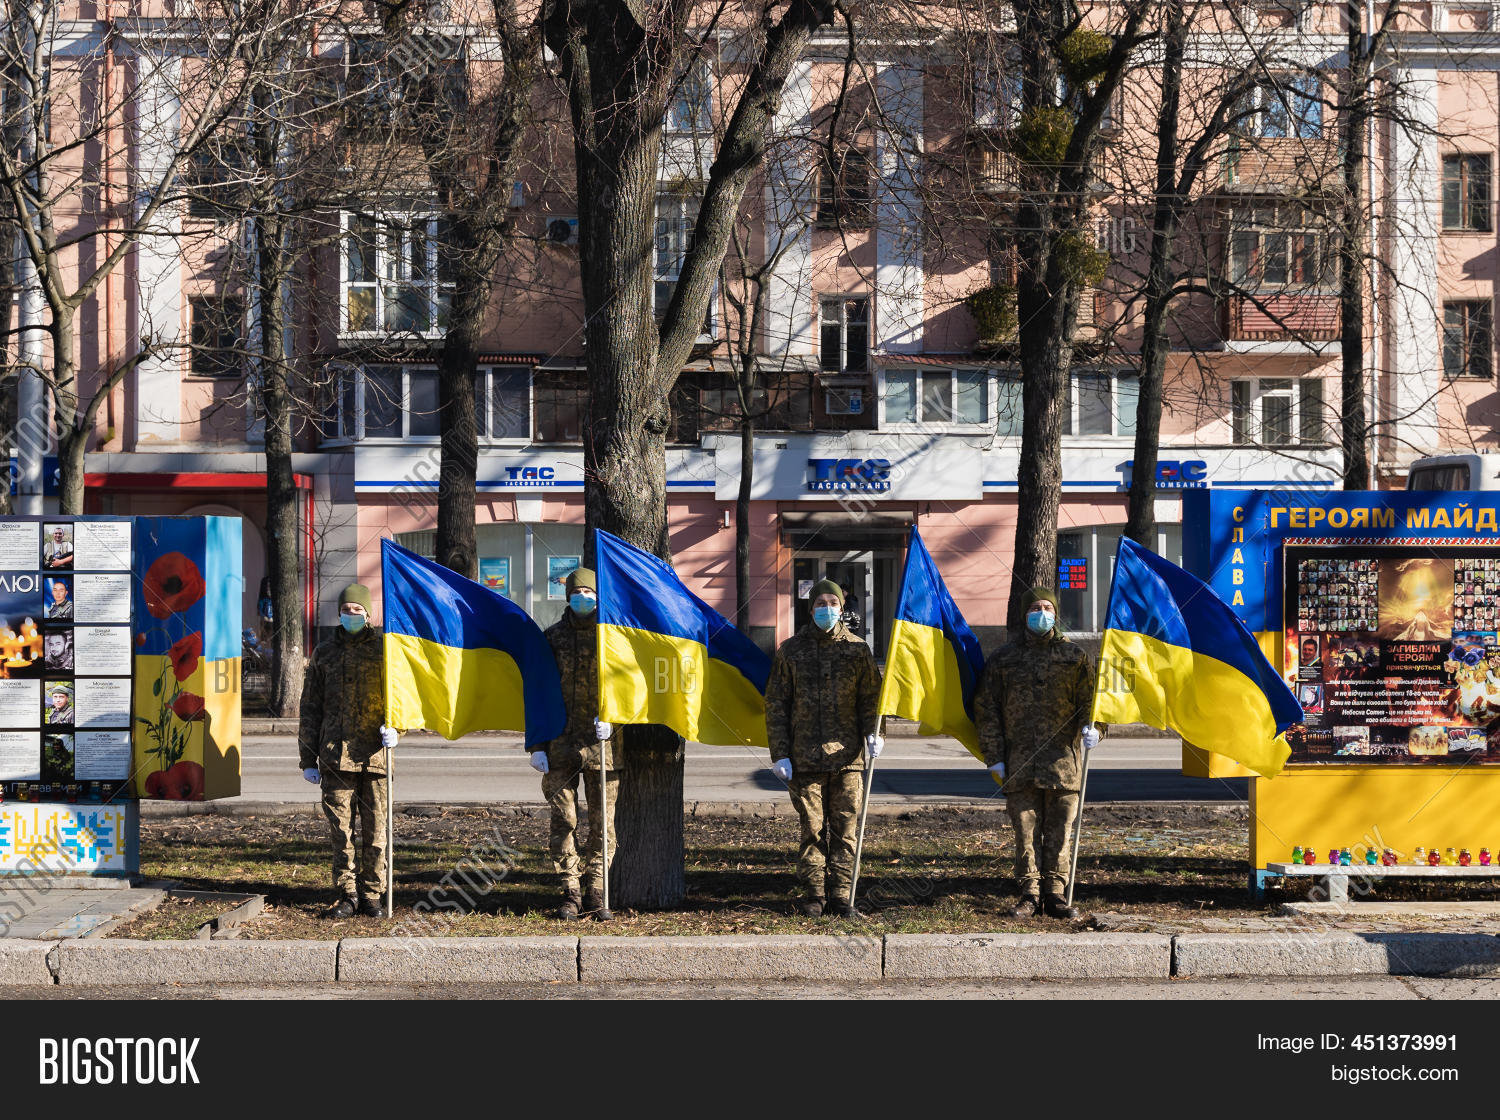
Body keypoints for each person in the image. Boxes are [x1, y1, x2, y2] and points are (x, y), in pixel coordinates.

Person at [975, 588, 1101, 920]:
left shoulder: (1074, 656)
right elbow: (987, 710)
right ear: (1024, 613)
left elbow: (1094, 703)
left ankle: (1055, 894)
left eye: (1047, 607)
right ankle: (1029, 894)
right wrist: (994, 755)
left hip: (1063, 763)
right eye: (1035, 607)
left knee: (1060, 831)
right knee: (1025, 831)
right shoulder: (1004, 658)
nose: (1041, 613)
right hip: (1019, 762)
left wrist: (1096, 728)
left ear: (1056, 613)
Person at [765, 578, 882, 918]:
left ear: (841, 609)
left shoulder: (857, 650)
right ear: (810, 608)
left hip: (848, 758)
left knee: (846, 829)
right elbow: (776, 704)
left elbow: (870, 699)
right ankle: (814, 894)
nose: (826, 609)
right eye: (820, 603)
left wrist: (875, 733)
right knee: (812, 829)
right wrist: (780, 753)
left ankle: (842, 895)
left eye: (832, 604)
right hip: (805, 759)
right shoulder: (791, 651)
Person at [297, 584, 400, 919]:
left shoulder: (386, 650)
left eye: (357, 609)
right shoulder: (324, 653)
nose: (351, 614)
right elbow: (310, 707)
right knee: (341, 833)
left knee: (376, 832)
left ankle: (372, 894)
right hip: (334, 756)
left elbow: (403, 699)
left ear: (368, 614)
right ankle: (348, 894)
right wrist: (307, 758)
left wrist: (398, 729)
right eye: (346, 610)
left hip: (375, 756)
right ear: (339, 613)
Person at [529, 567, 618, 921]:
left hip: (604, 746)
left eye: (589, 592)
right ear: (567, 597)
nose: (583, 598)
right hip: (559, 744)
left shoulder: (612, 636)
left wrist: (616, 721)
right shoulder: (552, 638)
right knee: (563, 820)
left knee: (602, 824)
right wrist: (536, 744)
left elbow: (631, 687)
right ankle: (570, 891)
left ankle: (596, 890)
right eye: (577, 593)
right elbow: (537, 692)